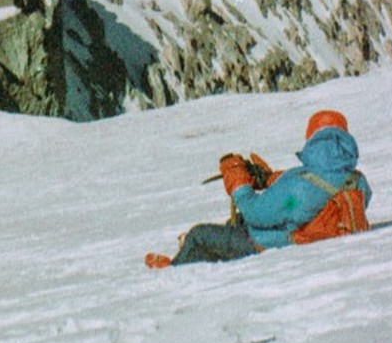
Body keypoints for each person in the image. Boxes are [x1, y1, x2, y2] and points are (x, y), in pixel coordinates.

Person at [144, 108, 372, 268]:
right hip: (303, 228)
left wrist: (239, 184)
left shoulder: (298, 186)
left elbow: (257, 214)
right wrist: (272, 179)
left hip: (269, 243)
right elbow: (314, 191)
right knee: (235, 223)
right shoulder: (357, 180)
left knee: (199, 235)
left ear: (312, 139)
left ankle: (172, 270)